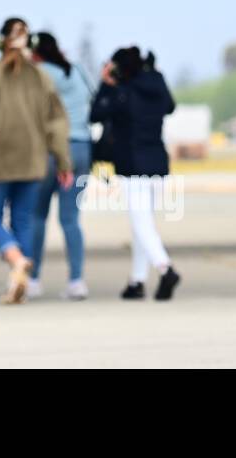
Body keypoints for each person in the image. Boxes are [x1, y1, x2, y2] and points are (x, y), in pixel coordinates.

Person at [0, 17, 72, 304]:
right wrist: (63, 162)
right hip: (33, 160)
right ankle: (22, 276)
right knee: (23, 220)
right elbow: (57, 124)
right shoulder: (42, 77)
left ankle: (15, 260)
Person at [90, 46, 181, 301]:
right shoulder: (157, 84)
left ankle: (165, 269)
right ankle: (137, 281)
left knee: (142, 224)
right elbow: (170, 106)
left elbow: (96, 113)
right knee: (143, 226)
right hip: (158, 165)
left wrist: (106, 84)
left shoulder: (123, 91)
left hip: (132, 166)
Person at [30, 32, 93, 300]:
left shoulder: (40, 72)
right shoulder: (77, 69)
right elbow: (93, 96)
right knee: (70, 219)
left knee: (36, 216)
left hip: (50, 149)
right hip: (81, 147)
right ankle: (77, 280)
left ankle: (32, 279)